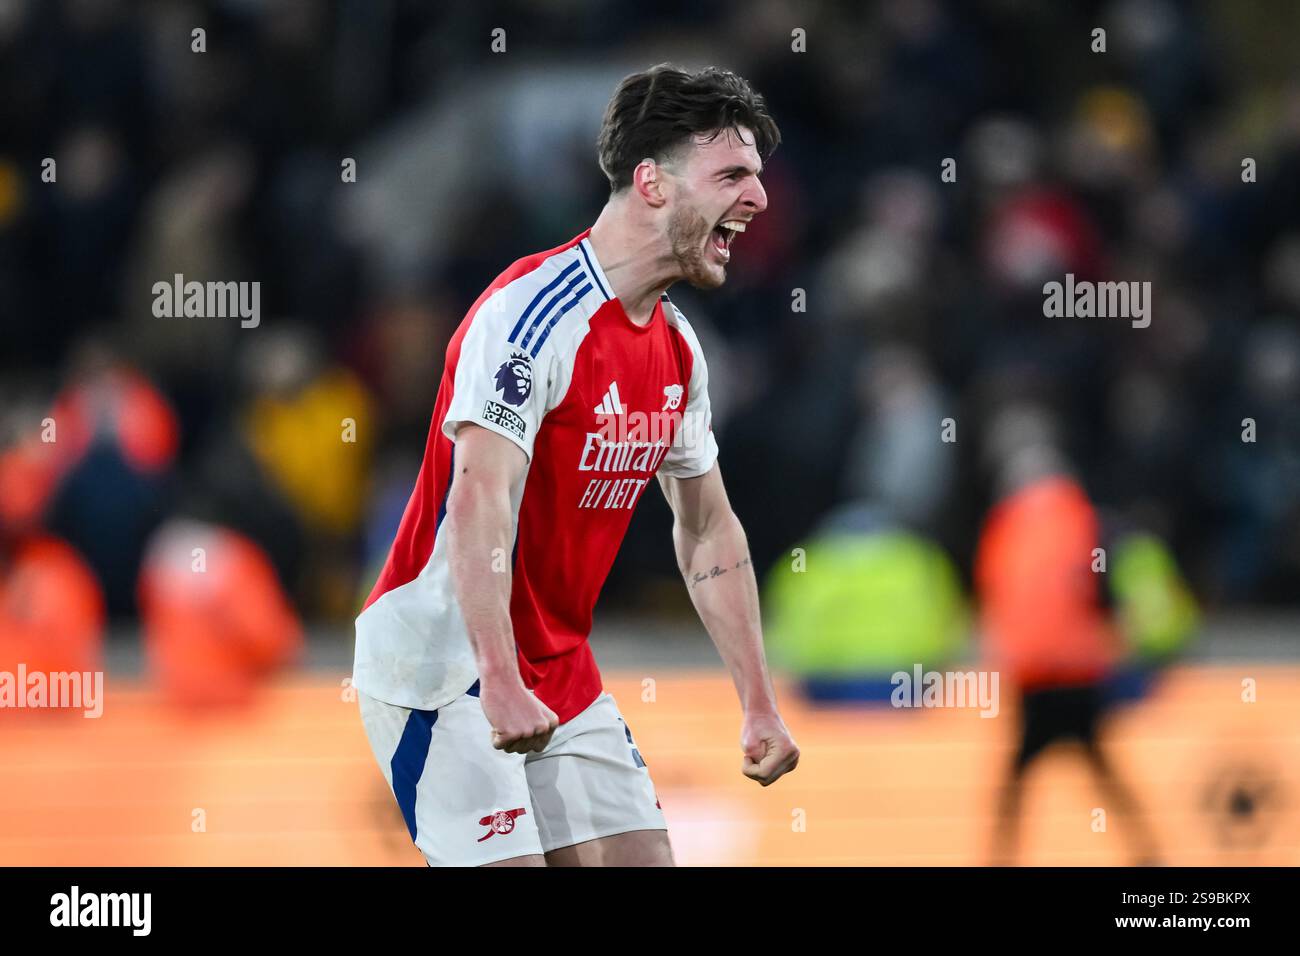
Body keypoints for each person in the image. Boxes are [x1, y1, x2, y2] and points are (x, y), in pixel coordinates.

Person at [352, 64, 800, 867]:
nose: (758, 199)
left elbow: (707, 527)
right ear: (652, 183)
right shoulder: (530, 315)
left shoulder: (677, 350)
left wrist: (757, 700)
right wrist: (497, 676)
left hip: (557, 665)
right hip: (446, 664)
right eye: (732, 174)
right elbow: (481, 497)